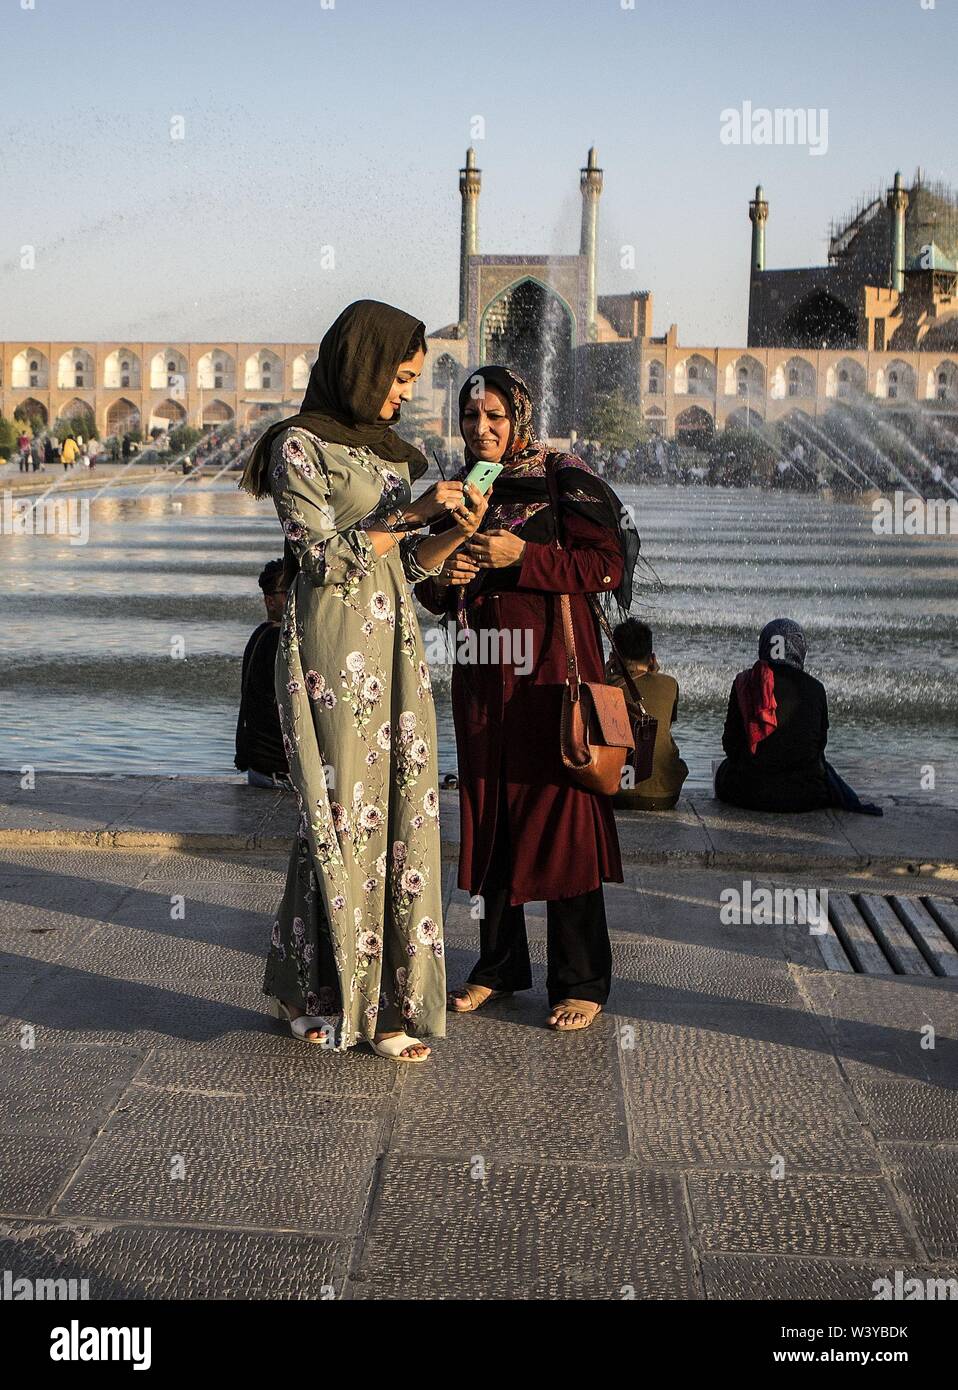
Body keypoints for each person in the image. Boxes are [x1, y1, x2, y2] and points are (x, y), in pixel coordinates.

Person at [240, 299, 488, 1061]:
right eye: (398, 378)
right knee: (342, 815)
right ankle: (317, 993)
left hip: (394, 650)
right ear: (363, 364)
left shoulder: (387, 453)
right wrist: (414, 512)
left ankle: (385, 1006)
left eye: (411, 381)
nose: (403, 394)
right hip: (331, 652)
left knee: (398, 817)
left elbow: (401, 566)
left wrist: (454, 534)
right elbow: (317, 559)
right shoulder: (298, 449)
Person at [416, 366, 637, 1033]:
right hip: (485, 680)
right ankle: (498, 965)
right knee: (494, 820)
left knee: (561, 818)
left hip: (550, 679)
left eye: (493, 417)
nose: (480, 430)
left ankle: (582, 977)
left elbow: (608, 565)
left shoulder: (562, 477)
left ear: (519, 417)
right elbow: (429, 592)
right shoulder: (457, 491)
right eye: (469, 418)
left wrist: (522, 559)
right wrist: (448, 568)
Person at [715, 617, 881, 814]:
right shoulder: (815, 688)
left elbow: (730, 745)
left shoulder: (746, 683)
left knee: (723, 771)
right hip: (805, 796)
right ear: (800, 648)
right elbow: (819, 746)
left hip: (748, 794)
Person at [606, 617, 688, 810]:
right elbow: (663, 726)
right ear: (652, 658)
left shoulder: (605, 687)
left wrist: (603, 676)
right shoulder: (670, 684)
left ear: (613, 657)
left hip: (615, 793)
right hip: (663, 795)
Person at [234, 559, 291, 788]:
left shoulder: (260, 634)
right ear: (270, 601)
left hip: (261, 770)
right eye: (287, 593)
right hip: (278, 778)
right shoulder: (280, 641)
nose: (295, 597)